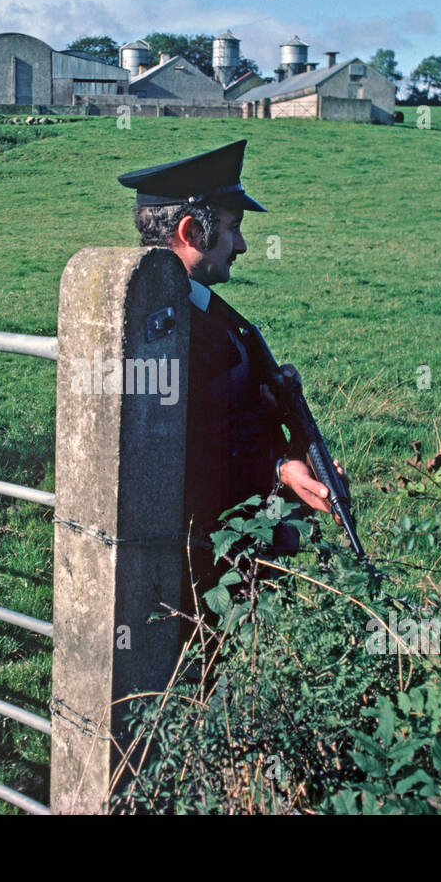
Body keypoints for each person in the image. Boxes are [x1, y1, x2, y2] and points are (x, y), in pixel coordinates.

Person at [117, 139, 349, 638]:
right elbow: (183, 446)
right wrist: (279, 469)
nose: (241, 245)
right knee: (203, 671)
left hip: (215, 555)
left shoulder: (198, 309)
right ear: (190, 230)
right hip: (197, 568)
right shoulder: (166, 327)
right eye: (233, 227)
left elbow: (224, 420)